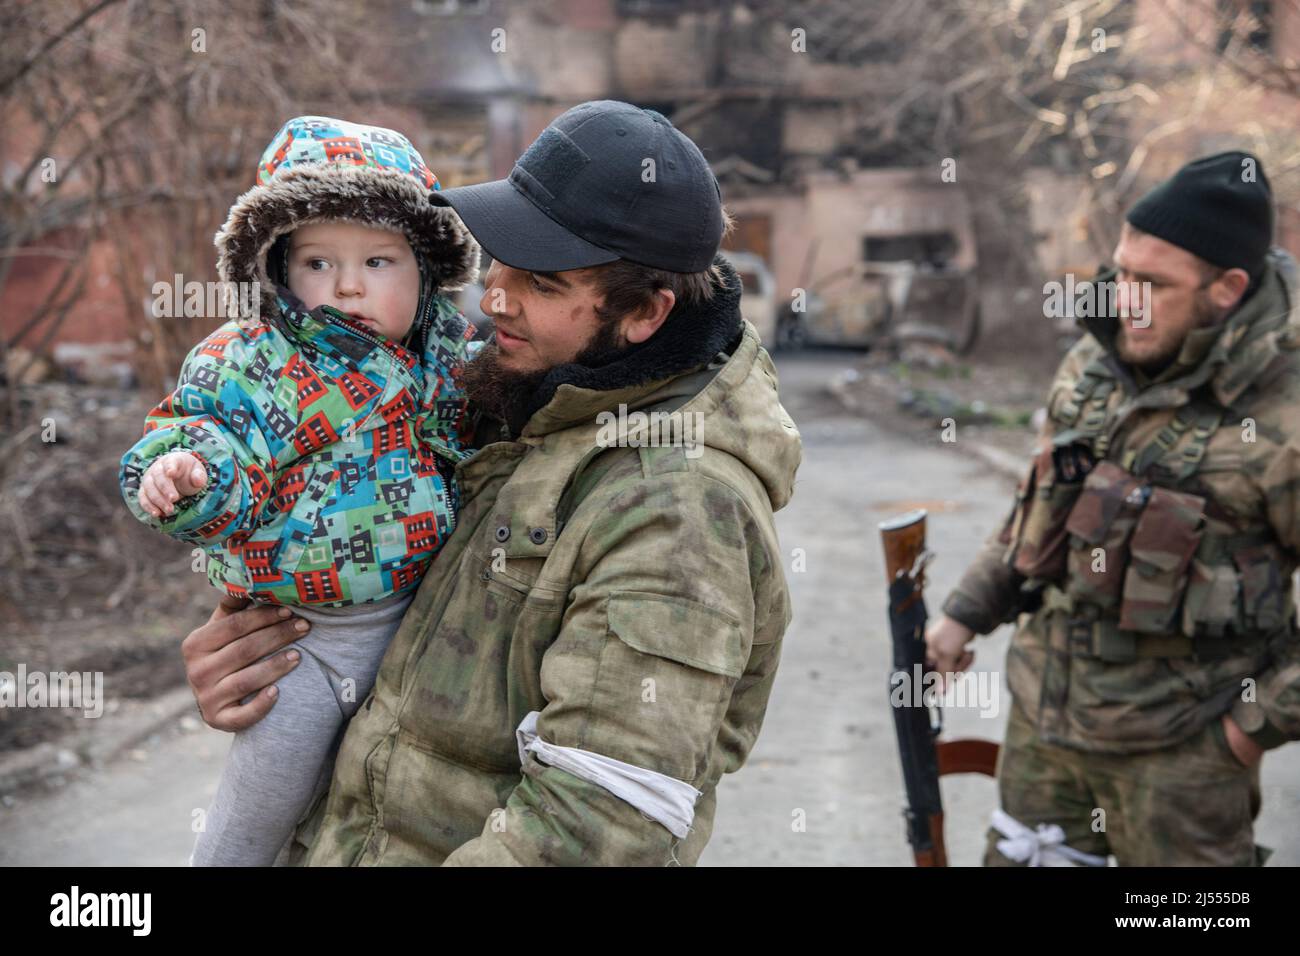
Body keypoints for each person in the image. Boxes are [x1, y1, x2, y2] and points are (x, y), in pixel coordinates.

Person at [179, 99, 803, 866]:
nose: (494, 297)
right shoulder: (513, 393)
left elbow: (592, 830)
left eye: (539, 282)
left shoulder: (677, 508)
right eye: (501, 256)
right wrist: (257, 657)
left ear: (642, 313)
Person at [119, 116, 479, 865]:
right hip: (308, 641)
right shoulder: (255, 361)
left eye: (379, 260)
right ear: (277, 270)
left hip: (431, 619)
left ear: (426, 268)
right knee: (261, 812)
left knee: (381, 806)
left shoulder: (448, 354)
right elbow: (214, 434)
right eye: (319, 262)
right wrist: (188, 476)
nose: (348, 285)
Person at [926, 151, 1300, 866]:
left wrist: (1248, 730)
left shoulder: (1283, 412)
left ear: (1227, 289)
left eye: (1152, 284)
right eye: (1122, 272)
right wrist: (963, 614)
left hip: (1184, 760)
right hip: (1046, 732)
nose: (1122, 298)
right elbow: (1036, 512)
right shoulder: (1093, 366)